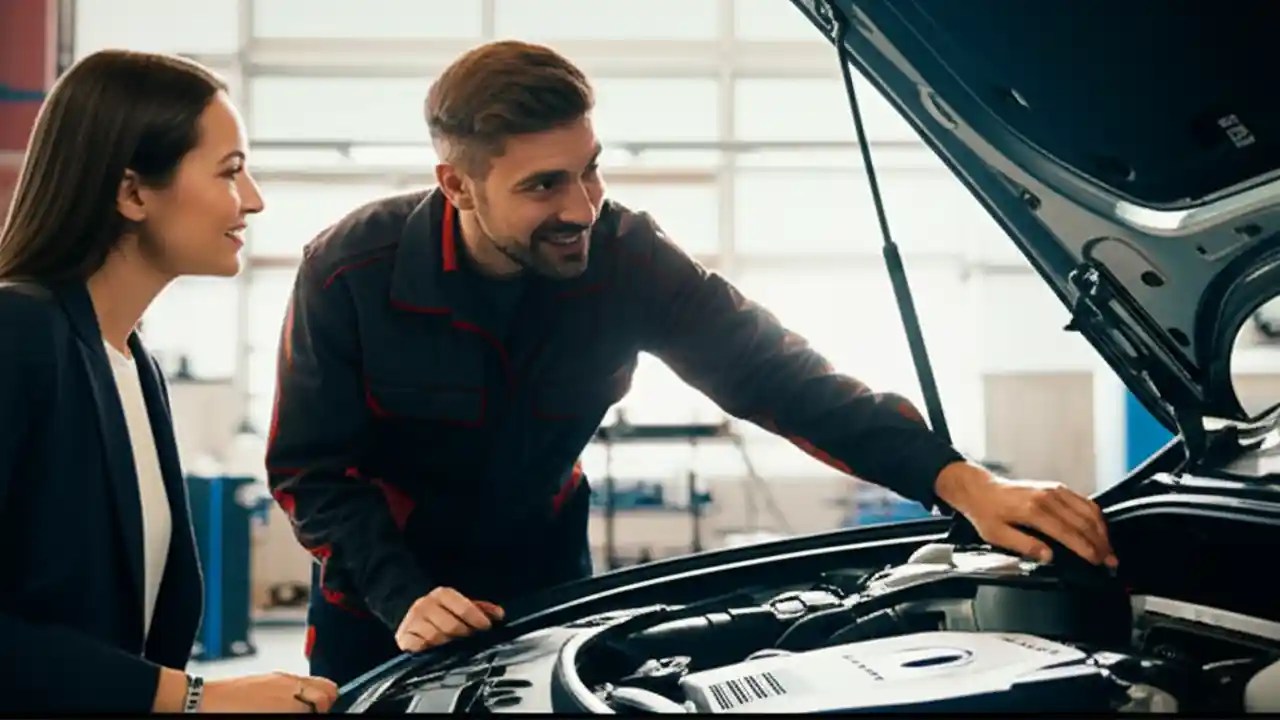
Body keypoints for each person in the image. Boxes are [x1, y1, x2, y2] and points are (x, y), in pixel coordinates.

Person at [266, 39, 1118, 686]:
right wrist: (401, 594)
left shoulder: (627, 256)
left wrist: (962, 481)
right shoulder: (348, 271)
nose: (583, 208)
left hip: (545, 583)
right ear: (456, 186)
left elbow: (779, 375)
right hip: (380, 601)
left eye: (591, 171)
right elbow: (311, 468)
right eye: (544, 187)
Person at [0, 49, 339, 713]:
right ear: (131, 193)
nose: (254, 200)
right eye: (230, 172)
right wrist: (191, 698)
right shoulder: (19, 334)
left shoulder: (133, 363)